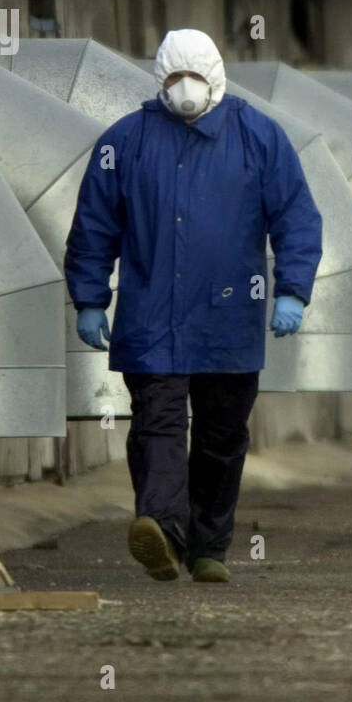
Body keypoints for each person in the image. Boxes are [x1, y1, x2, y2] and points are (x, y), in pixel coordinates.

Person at [64, 29, 323, 585]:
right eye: (175, 78)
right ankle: (161, 530)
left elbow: (297, 217)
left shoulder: (259, 137)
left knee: (220, 435)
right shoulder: (125, 141)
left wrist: (292, 291)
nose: (186, 89)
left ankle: (209, 547)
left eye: (196, 78)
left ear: (216, 78)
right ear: (160, 78)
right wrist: (90, 298)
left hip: (229, 320)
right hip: (151, 318)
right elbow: (93, 225)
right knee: (157, 426)